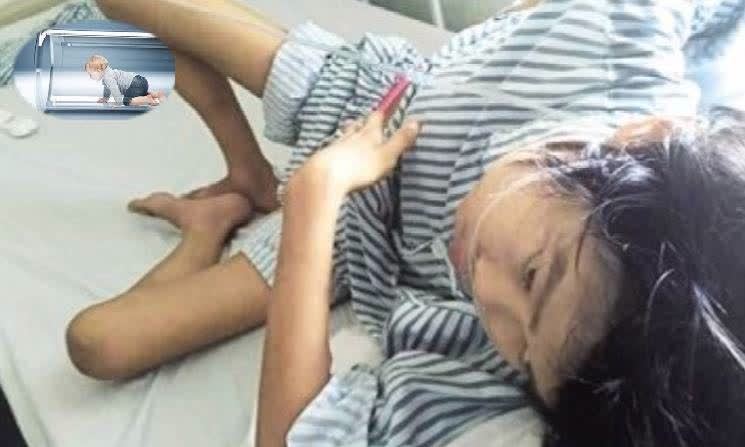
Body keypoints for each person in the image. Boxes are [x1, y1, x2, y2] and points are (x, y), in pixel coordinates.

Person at [65, 0, 745, 445]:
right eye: (534, 273)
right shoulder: (619, 54)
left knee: (99, 343)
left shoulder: (558, 369)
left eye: (522, 350)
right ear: (638, 137)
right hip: (375, 101)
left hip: (348, 222)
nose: (483, 293)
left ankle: (217, 216)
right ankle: (245, 171)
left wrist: (316, 196)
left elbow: (290, 438)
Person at [84, 54, 165, 106]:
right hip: (141, 81)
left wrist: (118, 102)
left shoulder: (108, 77)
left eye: (90, 74)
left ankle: (147, 99)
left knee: (126, 101)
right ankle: (156, 94)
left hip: (135, 84)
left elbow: (114, 90)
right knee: (139, 93)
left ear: (98, 70)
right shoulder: (108, 74)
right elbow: (107, 88)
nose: (90, 76)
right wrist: (105, 98)